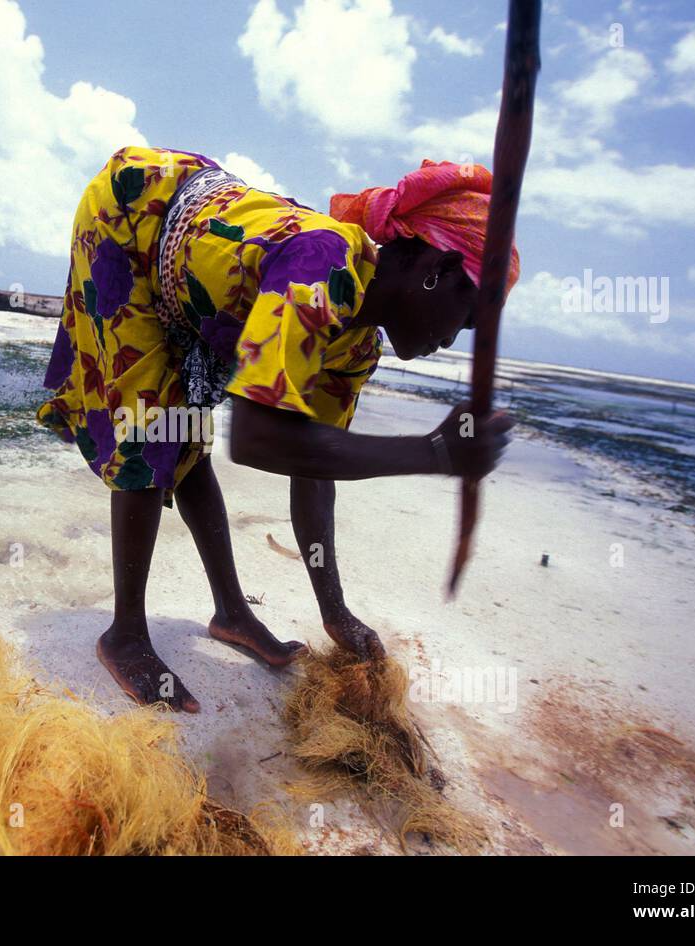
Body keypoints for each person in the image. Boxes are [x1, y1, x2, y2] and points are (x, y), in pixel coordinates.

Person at [37, 147, 518, 712]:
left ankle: (232, 612)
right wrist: (433, 454)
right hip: (134, 217)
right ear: (434, 272)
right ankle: (126, 634)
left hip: (199, 281)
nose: (454, 339)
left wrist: (334, 611)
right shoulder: (323, 262)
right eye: (466, 320)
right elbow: (259, 439)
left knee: (189, 437)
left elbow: (311, 472)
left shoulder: (357, 347)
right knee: (153, 435)